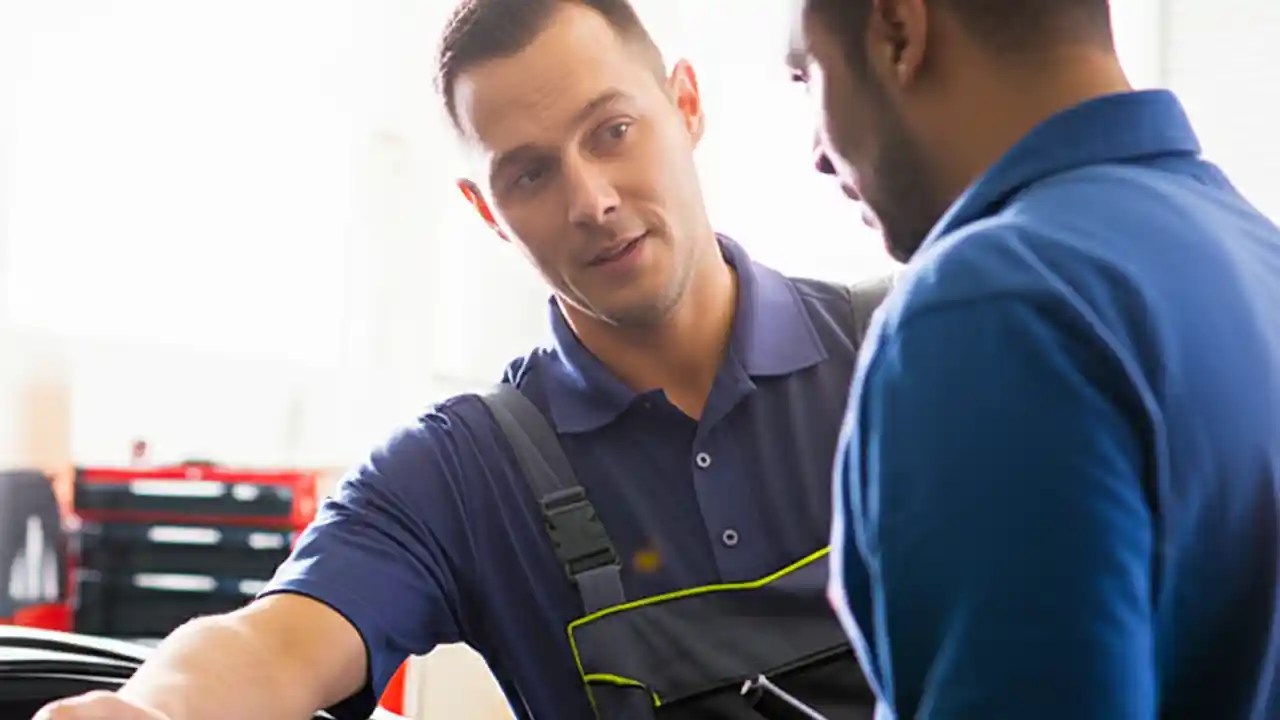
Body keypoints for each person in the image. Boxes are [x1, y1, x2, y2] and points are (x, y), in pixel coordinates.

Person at [36, 1, 891, 718]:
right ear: (488, 212)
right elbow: (273, 642)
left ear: (688, 104)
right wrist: (155, 709)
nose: (591, 200)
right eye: (530, 175)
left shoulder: (904, 347)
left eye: (614, 130)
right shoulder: (460, 475)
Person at [788, 0, 1280, 718]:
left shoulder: (993, 305)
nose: (819, 153)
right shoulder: (1253, 251)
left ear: (899, 31)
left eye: (808, 73)